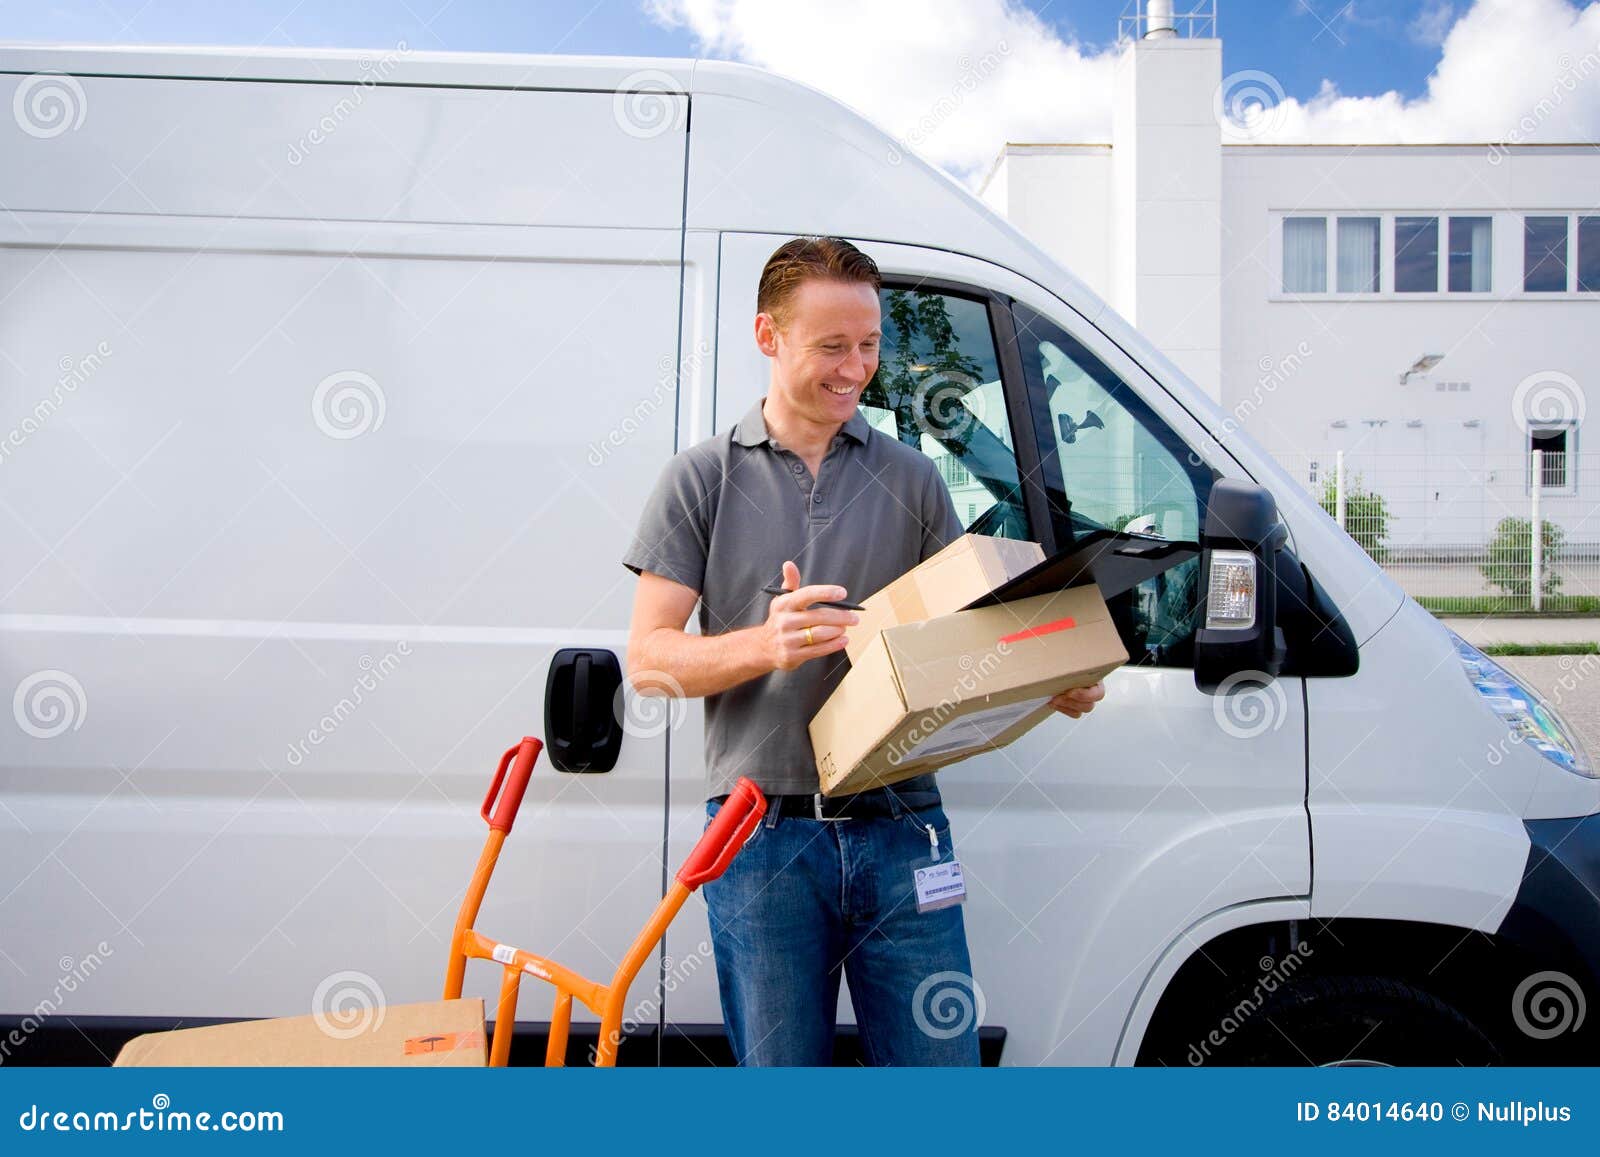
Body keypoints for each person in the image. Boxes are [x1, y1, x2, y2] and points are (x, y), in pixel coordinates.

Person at [621, 235, 1105, 1066]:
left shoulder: (914, 478)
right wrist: (765, 645)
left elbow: (963, 632)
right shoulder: (700, 479)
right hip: (760, 838)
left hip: (904, 826)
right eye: (833, 346)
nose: (857, 368)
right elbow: (649, 660)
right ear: (768, 337)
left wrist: (1041, 674)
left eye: (871, 344)